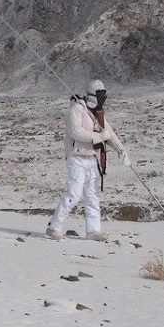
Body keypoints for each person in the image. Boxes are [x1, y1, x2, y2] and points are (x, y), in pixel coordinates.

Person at [46, 79, 130, 241]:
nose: (103, 97)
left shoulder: (98, 113)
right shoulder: (77, 108)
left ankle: (93, 230)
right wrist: (97, 137)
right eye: (101, 94)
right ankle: (54, 226)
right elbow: (75, 131)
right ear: (93, 94)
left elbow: (109, 133)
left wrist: (120, 150)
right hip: (76, 157)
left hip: (91, 157)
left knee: (93, 195)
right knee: (74, 194)